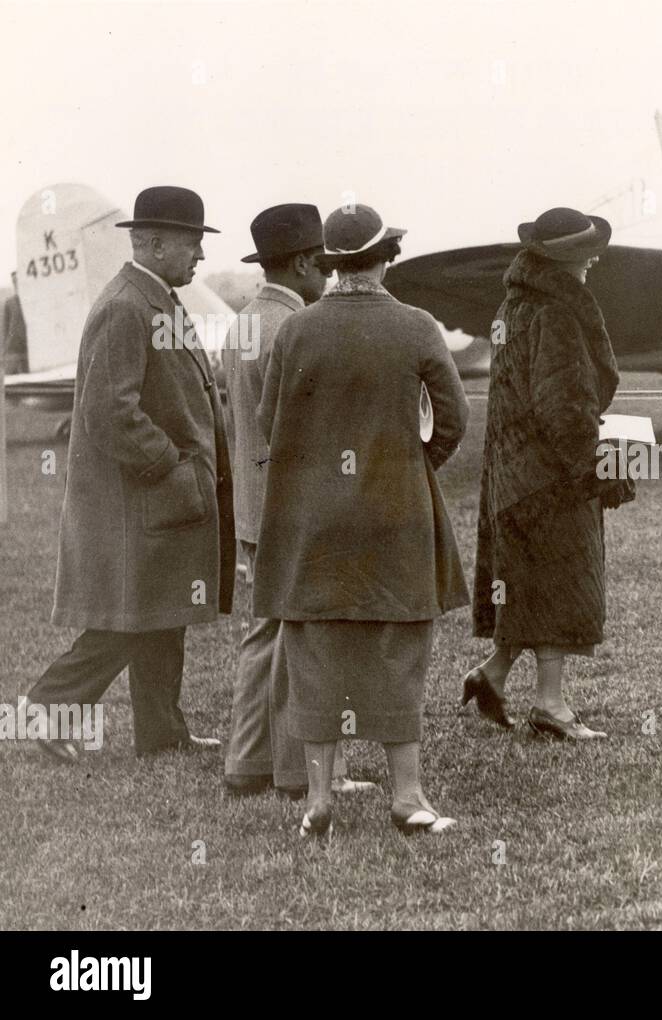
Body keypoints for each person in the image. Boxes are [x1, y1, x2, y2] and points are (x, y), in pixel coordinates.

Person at [255, 204, 469, 837]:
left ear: (329, 262)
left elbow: (271, 423)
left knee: (316, 651)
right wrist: (411, 464)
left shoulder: (295, 331)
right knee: (399, 649)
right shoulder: (417, 327)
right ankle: (408, 799)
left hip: (311, 522)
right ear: (386, 258)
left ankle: (318, 800)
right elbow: (452, 419)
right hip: (396, 516)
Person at [22, 186, 232, 761]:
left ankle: (163, 735)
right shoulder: (125, 306)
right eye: (192, 244)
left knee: (162, 612)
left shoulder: (154, 295)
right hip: (137, 501)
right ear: (154, 243)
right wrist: (171, 464)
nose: (200, 257)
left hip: (155, 499)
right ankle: (47, 709)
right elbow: (109, 412)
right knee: (131, 620)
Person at [222, 203, 373, 800]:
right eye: (326, 266)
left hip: (255, 506)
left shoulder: (242, 324)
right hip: (297, 508)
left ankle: (246, 762)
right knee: (306, 639)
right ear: (307, 263)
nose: (331, 278)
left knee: (265, 634)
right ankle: (305, 774)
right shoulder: (300, 328)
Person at [466, 206, 634, 740]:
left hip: (512, 472)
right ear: (565, 259)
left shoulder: (512, 306)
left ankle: (491, 674)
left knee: (525, 584)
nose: (592, 262)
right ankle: (550, 705)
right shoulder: (557, 313)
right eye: (585, 253)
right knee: (558, 585)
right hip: (548, 475)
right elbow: (563, 406)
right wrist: (598, 465)